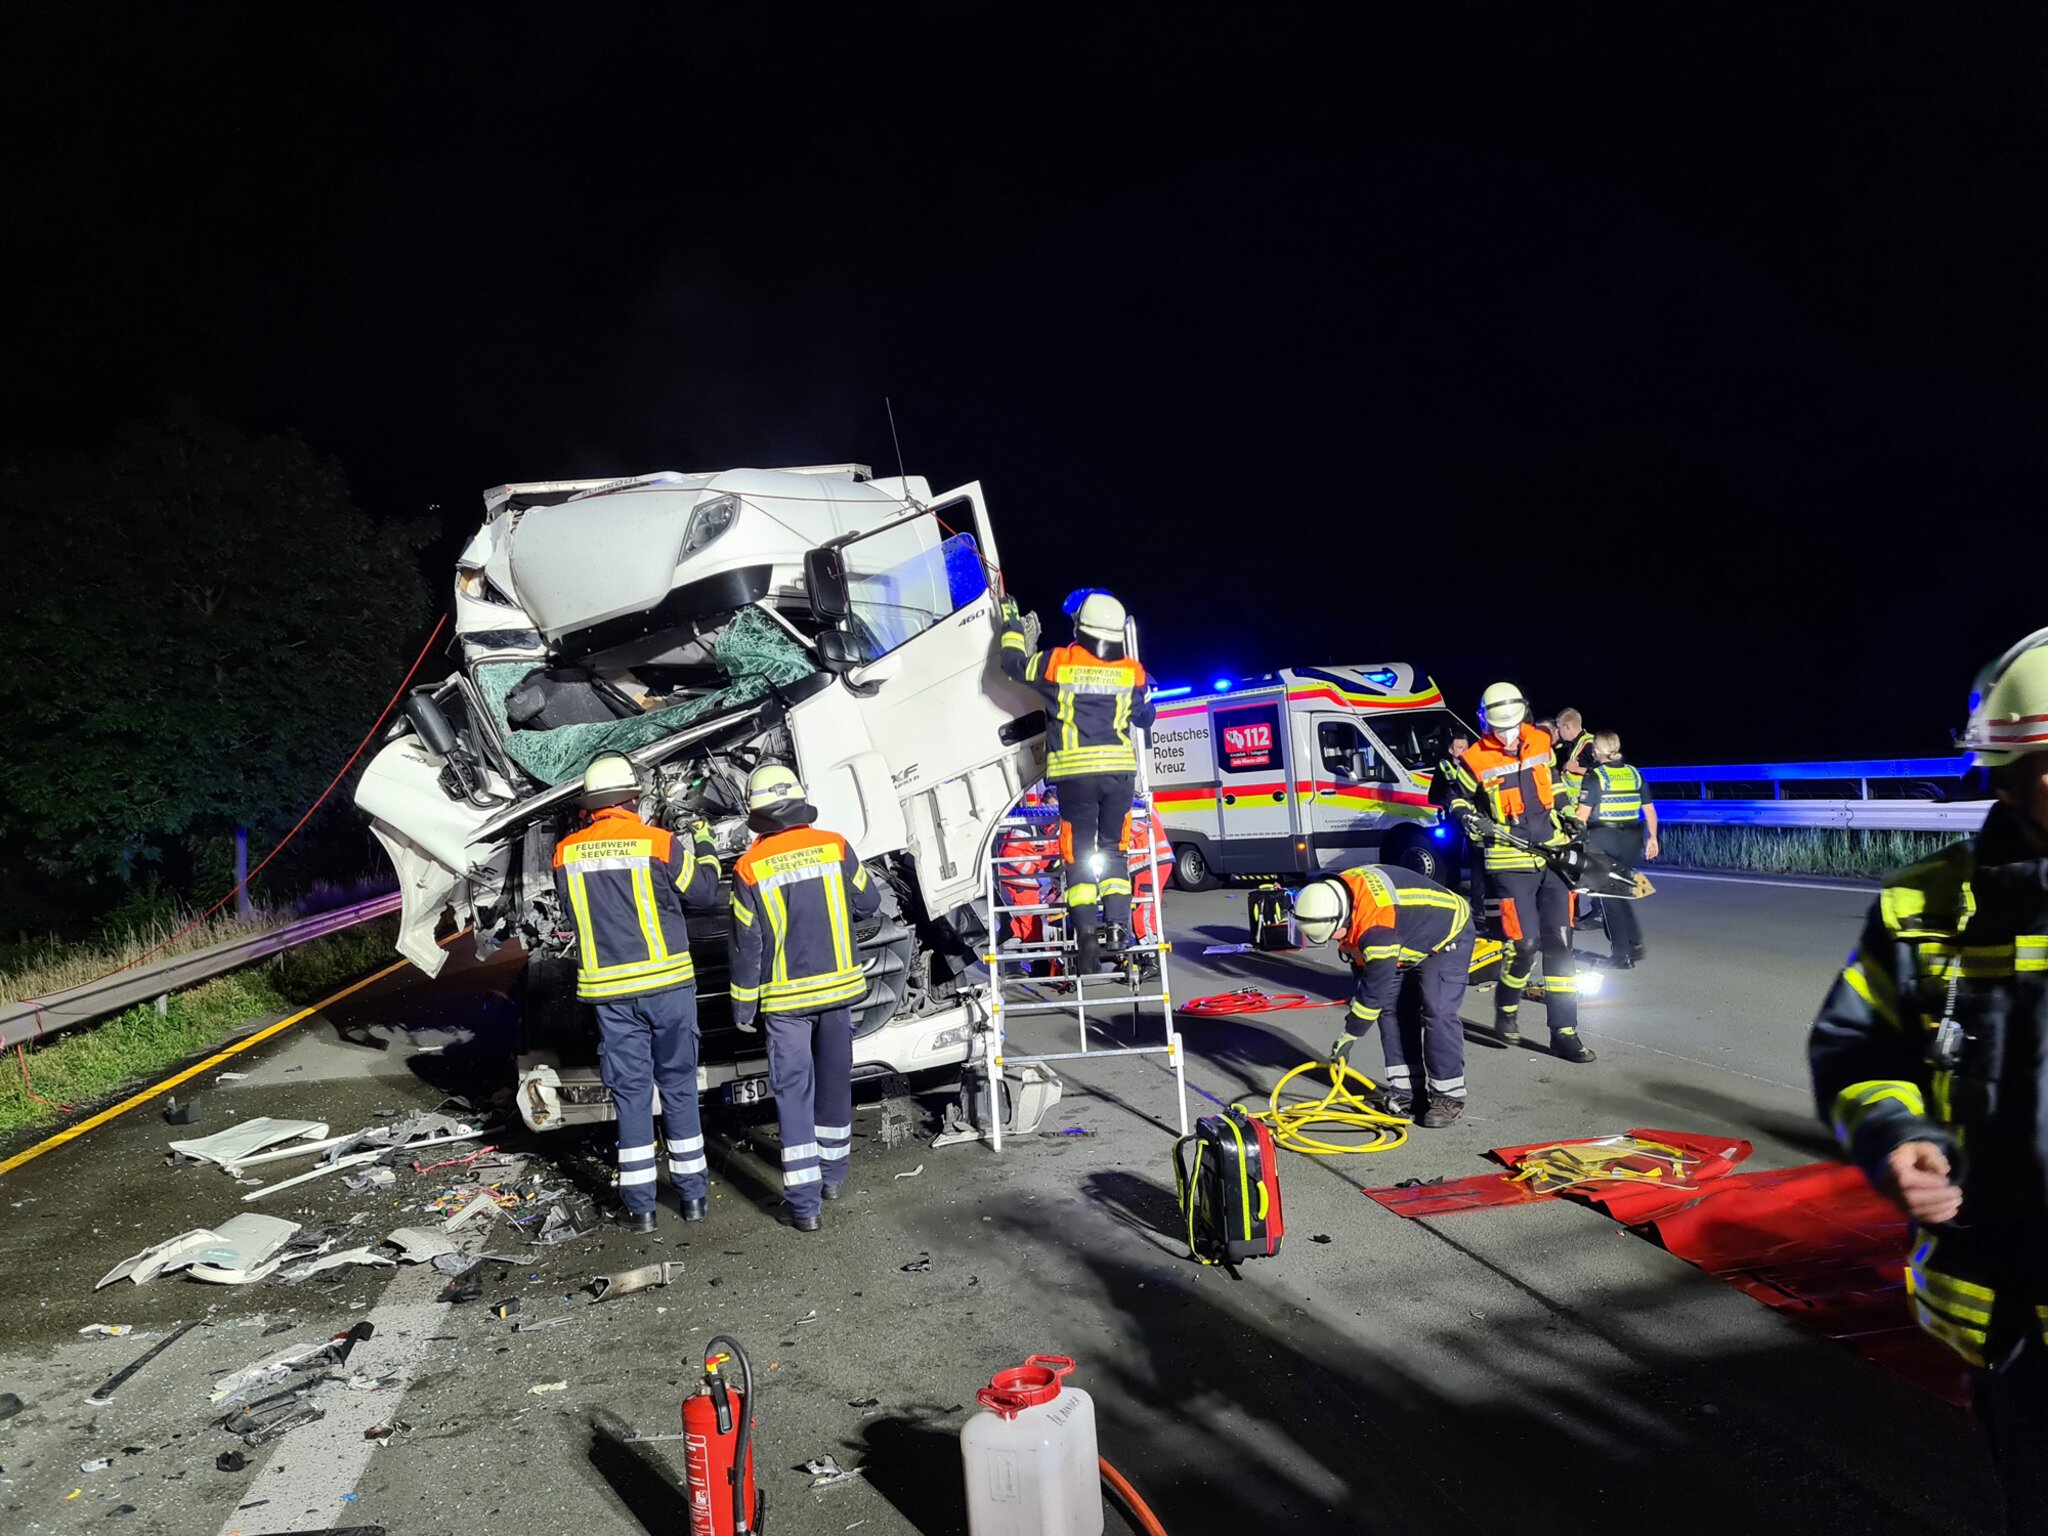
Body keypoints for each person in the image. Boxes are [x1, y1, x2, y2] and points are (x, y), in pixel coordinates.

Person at [1809, 627, 2048, 1534]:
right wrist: (1896, 1136)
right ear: (2010, 774)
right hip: (2014, 1313)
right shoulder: (1927, 907)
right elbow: (1860, 1048)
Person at [551, 752, 723, 1232]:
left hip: (611, 996)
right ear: (633, 798)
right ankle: (692, 1198)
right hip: (667, 989)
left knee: (631, 1096)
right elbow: (705, 893)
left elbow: (572, 913)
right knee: (678, 1087)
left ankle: (641, 1209)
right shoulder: (659, 843)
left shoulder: (565, 854)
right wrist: (704, 842)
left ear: (590, 805)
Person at [728, 763, 882, 1233]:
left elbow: (747, 946)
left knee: (794, 1096)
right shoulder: (835, 846)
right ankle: (833, 1177)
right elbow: (869, 903)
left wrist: (743, 1006)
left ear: (756, 813)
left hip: (786, 1004)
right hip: (838, 992)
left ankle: (804, 1206)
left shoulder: (748, 867)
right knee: (835, 1086)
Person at [999, 588, 1156, 974]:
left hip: (1076, 778)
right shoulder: (1132, 671)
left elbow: (1013, 665)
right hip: (1119, 776)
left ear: (1079, 628)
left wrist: (1011, 626)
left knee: (1078, 854)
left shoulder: (1058, 662)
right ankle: (1117, 928)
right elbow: (1145, 717)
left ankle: (1086, 932)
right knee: (1115, 852)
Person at [1448, 682, 1594, 1063]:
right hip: (1509, 860)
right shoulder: (1474, 758)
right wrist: (1469, 818)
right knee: (1525, 944)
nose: (1507, 733)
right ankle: (1507, 1004)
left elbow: (1555, 784)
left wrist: (1568, 813)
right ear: (1485, 722)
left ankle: (1564, 1032)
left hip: (1552, 853)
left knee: (1560, 942)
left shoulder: (1541, 741)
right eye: (1499, 727)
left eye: (1511, 725)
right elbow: (1456, 799)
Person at [1290, 864, 1475, 1126]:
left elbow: (1374, 989)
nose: (1333, 940)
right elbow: (1368, 974)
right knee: (1392, 1011)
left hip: (1447, 935)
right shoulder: (1333, 894)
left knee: (1438, 1011)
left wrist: (1350, 1034)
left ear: (1342, 917)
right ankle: (1407, 1091)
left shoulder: (1376, 927)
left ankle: (1449, 1097)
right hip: (1405, 931)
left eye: (1334, 934)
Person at [1579, 731, 1659, 967]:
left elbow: (1582, 814)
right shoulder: (1634, 773)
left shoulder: (1595, 776)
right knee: (1620, 891)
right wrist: (1653, 838)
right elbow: (1650, 810)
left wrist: (1568, 834)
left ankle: (1621, 955)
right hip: (1632, 839)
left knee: (1607, 897)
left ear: (1597, 751)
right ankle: (1634, 942)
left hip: (1604, 838)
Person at [1430, 732, 1478, 896]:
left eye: (1466, 747)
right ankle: (1453, 892)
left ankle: (1478, 892)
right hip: (1452, 820)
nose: (1464, 750)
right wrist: (1450, 803)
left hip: (1473, 819)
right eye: (1459, 747)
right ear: (1451, 750)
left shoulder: (1475, 767)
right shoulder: (1443, 768)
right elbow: (1433, 796)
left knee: (1477, 858)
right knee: (1452, 859)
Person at [1553, 708, 1595, 819]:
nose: (1558, 732)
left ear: (1567, 727)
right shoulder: (1567, 746)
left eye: (1559, 728)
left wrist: (1576, 769)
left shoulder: (1590, 745)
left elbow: (1603, 773)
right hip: (1573, 810)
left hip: (1587, 811)